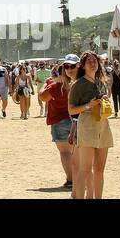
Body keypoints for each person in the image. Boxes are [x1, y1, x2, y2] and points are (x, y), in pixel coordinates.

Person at [68, 51, 113, 199]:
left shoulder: (101, 82)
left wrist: (105, 100)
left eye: (95, 60)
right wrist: (89, 105)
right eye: (89, 61)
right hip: (87, 124)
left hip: (102, 124)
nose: (93, 63)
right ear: (83, 65)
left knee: (99, 169)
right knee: (85, 170)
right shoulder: (78, 84)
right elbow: (71, 109)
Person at [39, 56, 77, 189]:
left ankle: (71, 180)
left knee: (65, 153)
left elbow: (43, 97)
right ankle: (78, 178)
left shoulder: (56, 86)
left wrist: (45, 84)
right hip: (75, 121)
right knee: (75, 152)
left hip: (59, 121)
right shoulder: (75, 85)